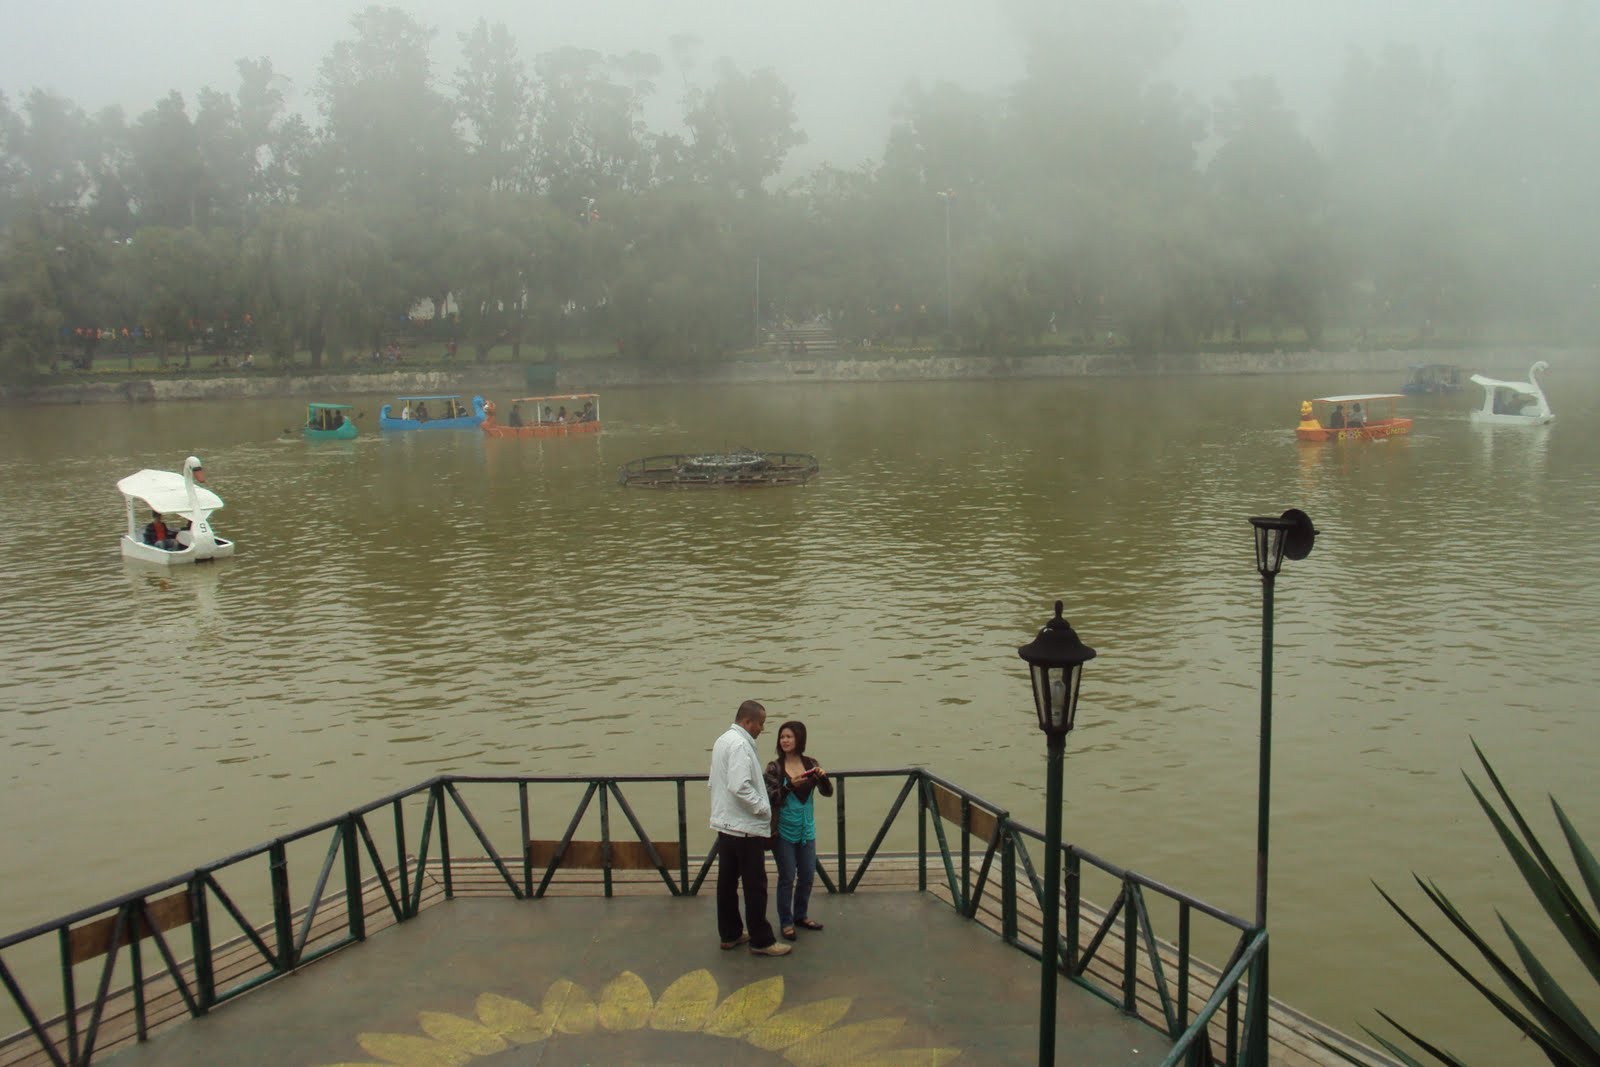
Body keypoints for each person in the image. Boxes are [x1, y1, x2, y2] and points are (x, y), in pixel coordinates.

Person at [709, 700, 790, 957]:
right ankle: (761, 940)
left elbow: (714, 781)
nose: (761, 729)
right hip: (745, 828)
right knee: (755, 885)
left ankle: (730, 933)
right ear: (747, 721)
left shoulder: (723, 740)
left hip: (725, 824)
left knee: (727, 882)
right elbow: (740, 786)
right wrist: (762, 809)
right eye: (760, 723)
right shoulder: (742, 746)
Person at [764, 721, 832, 941]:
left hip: (806, 829)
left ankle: (800, 915)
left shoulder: (810, 763)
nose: (785, 740)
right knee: (787, 877)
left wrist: (822, 777)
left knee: (808, 875)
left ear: (799, 739)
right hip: (783, 830)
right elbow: (771, 798)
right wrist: (789, 785)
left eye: (789, 737)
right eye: (782, 736)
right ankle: (786, 921)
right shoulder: (774, 767)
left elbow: (827, 792)